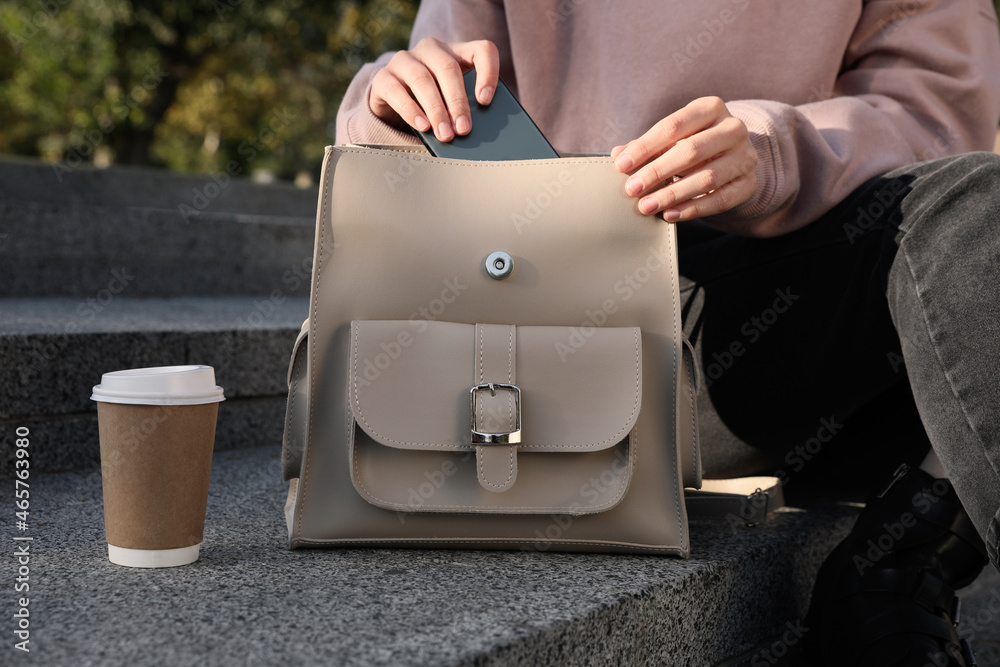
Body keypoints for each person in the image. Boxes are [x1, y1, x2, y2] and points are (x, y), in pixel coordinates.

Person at [336, 2, 1000, 664]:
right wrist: (389, 108)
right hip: (574, 312)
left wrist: (772, 150)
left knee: (979, 216)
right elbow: (438, 98)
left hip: (816, 281)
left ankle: (898, 563)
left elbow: (939, 113)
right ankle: (895, 573)